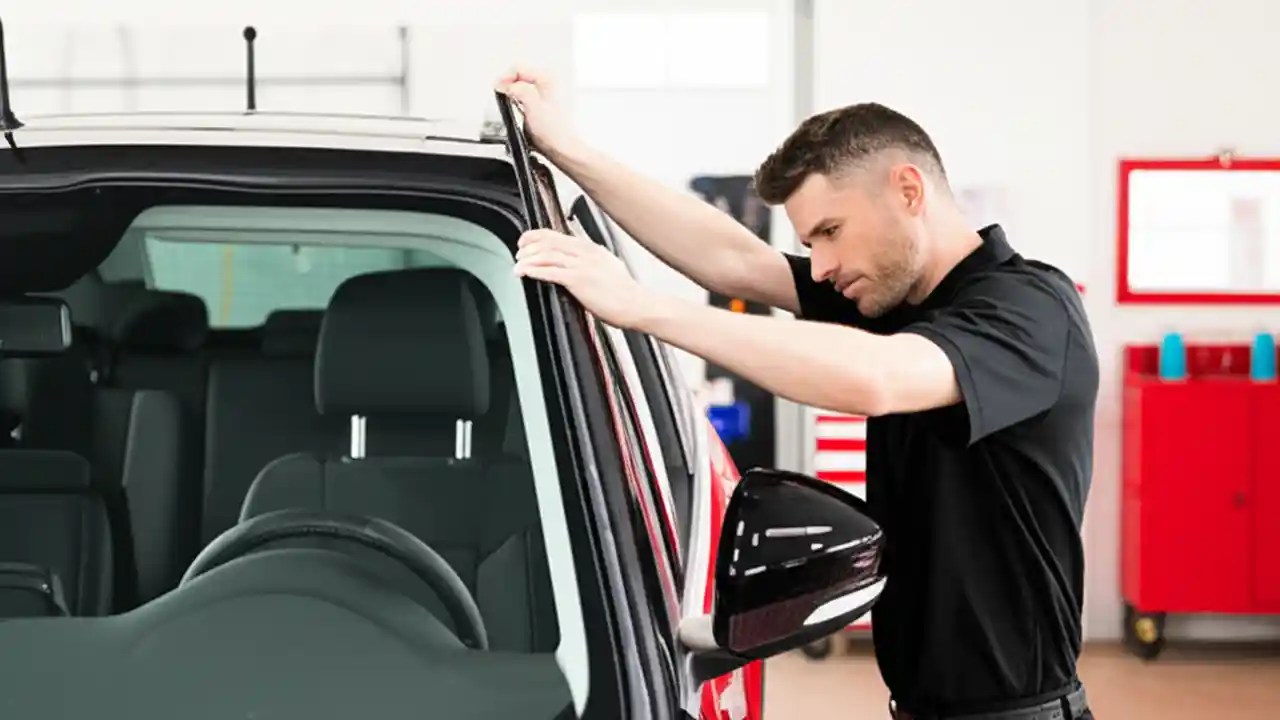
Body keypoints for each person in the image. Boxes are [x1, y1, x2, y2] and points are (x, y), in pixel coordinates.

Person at [497, 67, 1098, 720]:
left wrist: (643, 310)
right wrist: (568, 150)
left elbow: (880, 378)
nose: (820, 267)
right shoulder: (893, 299)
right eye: (809, 243)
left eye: (830, 232)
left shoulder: (1030, 311)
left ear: (907, 190)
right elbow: (734, 261)